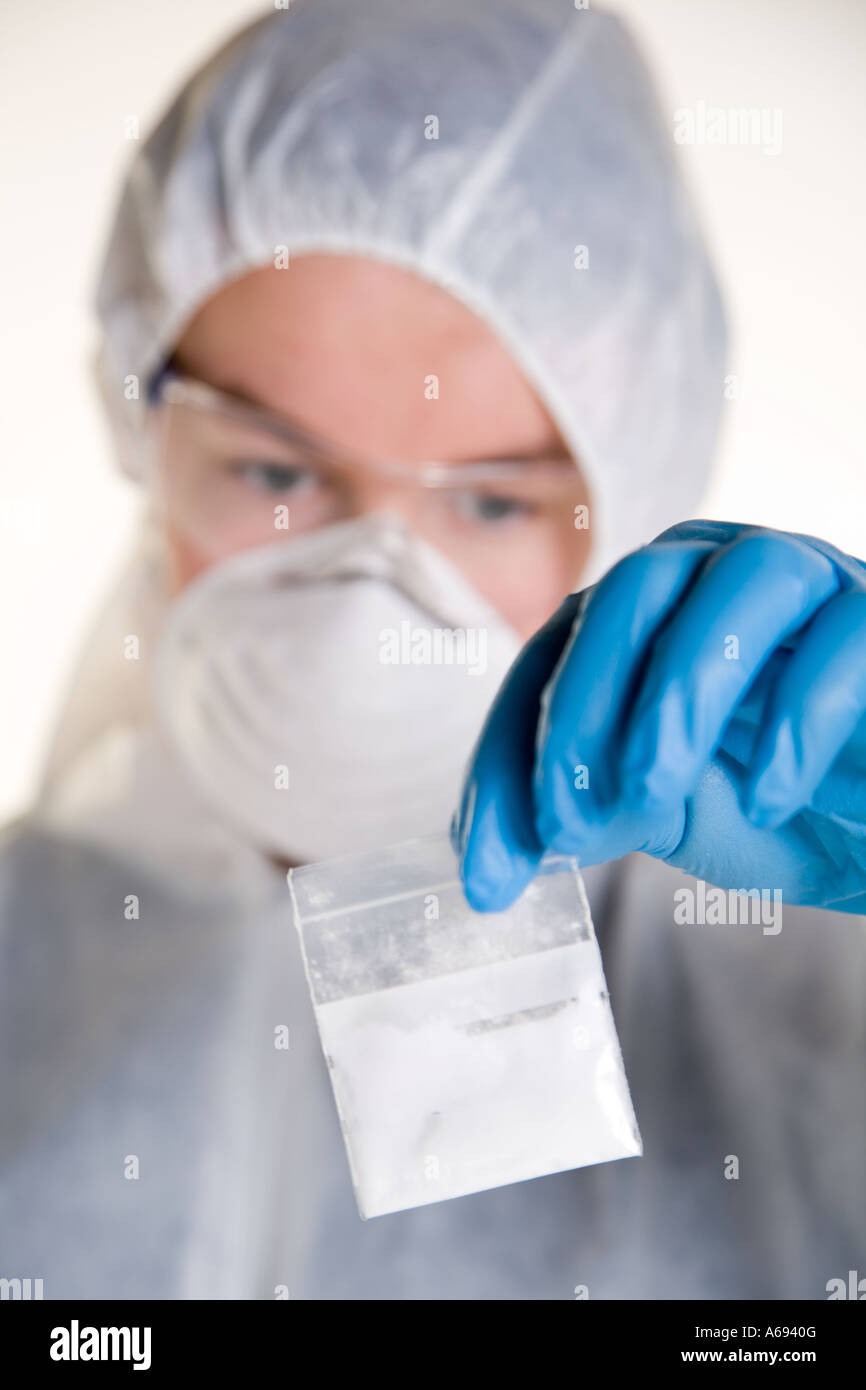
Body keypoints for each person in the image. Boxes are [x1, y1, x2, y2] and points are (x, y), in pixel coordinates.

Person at [0, 0, 862, 1300]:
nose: (367, 582)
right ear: (148, 435)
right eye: (275, 466)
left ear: (621, 499)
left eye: (490, 500)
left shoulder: (805, 993)